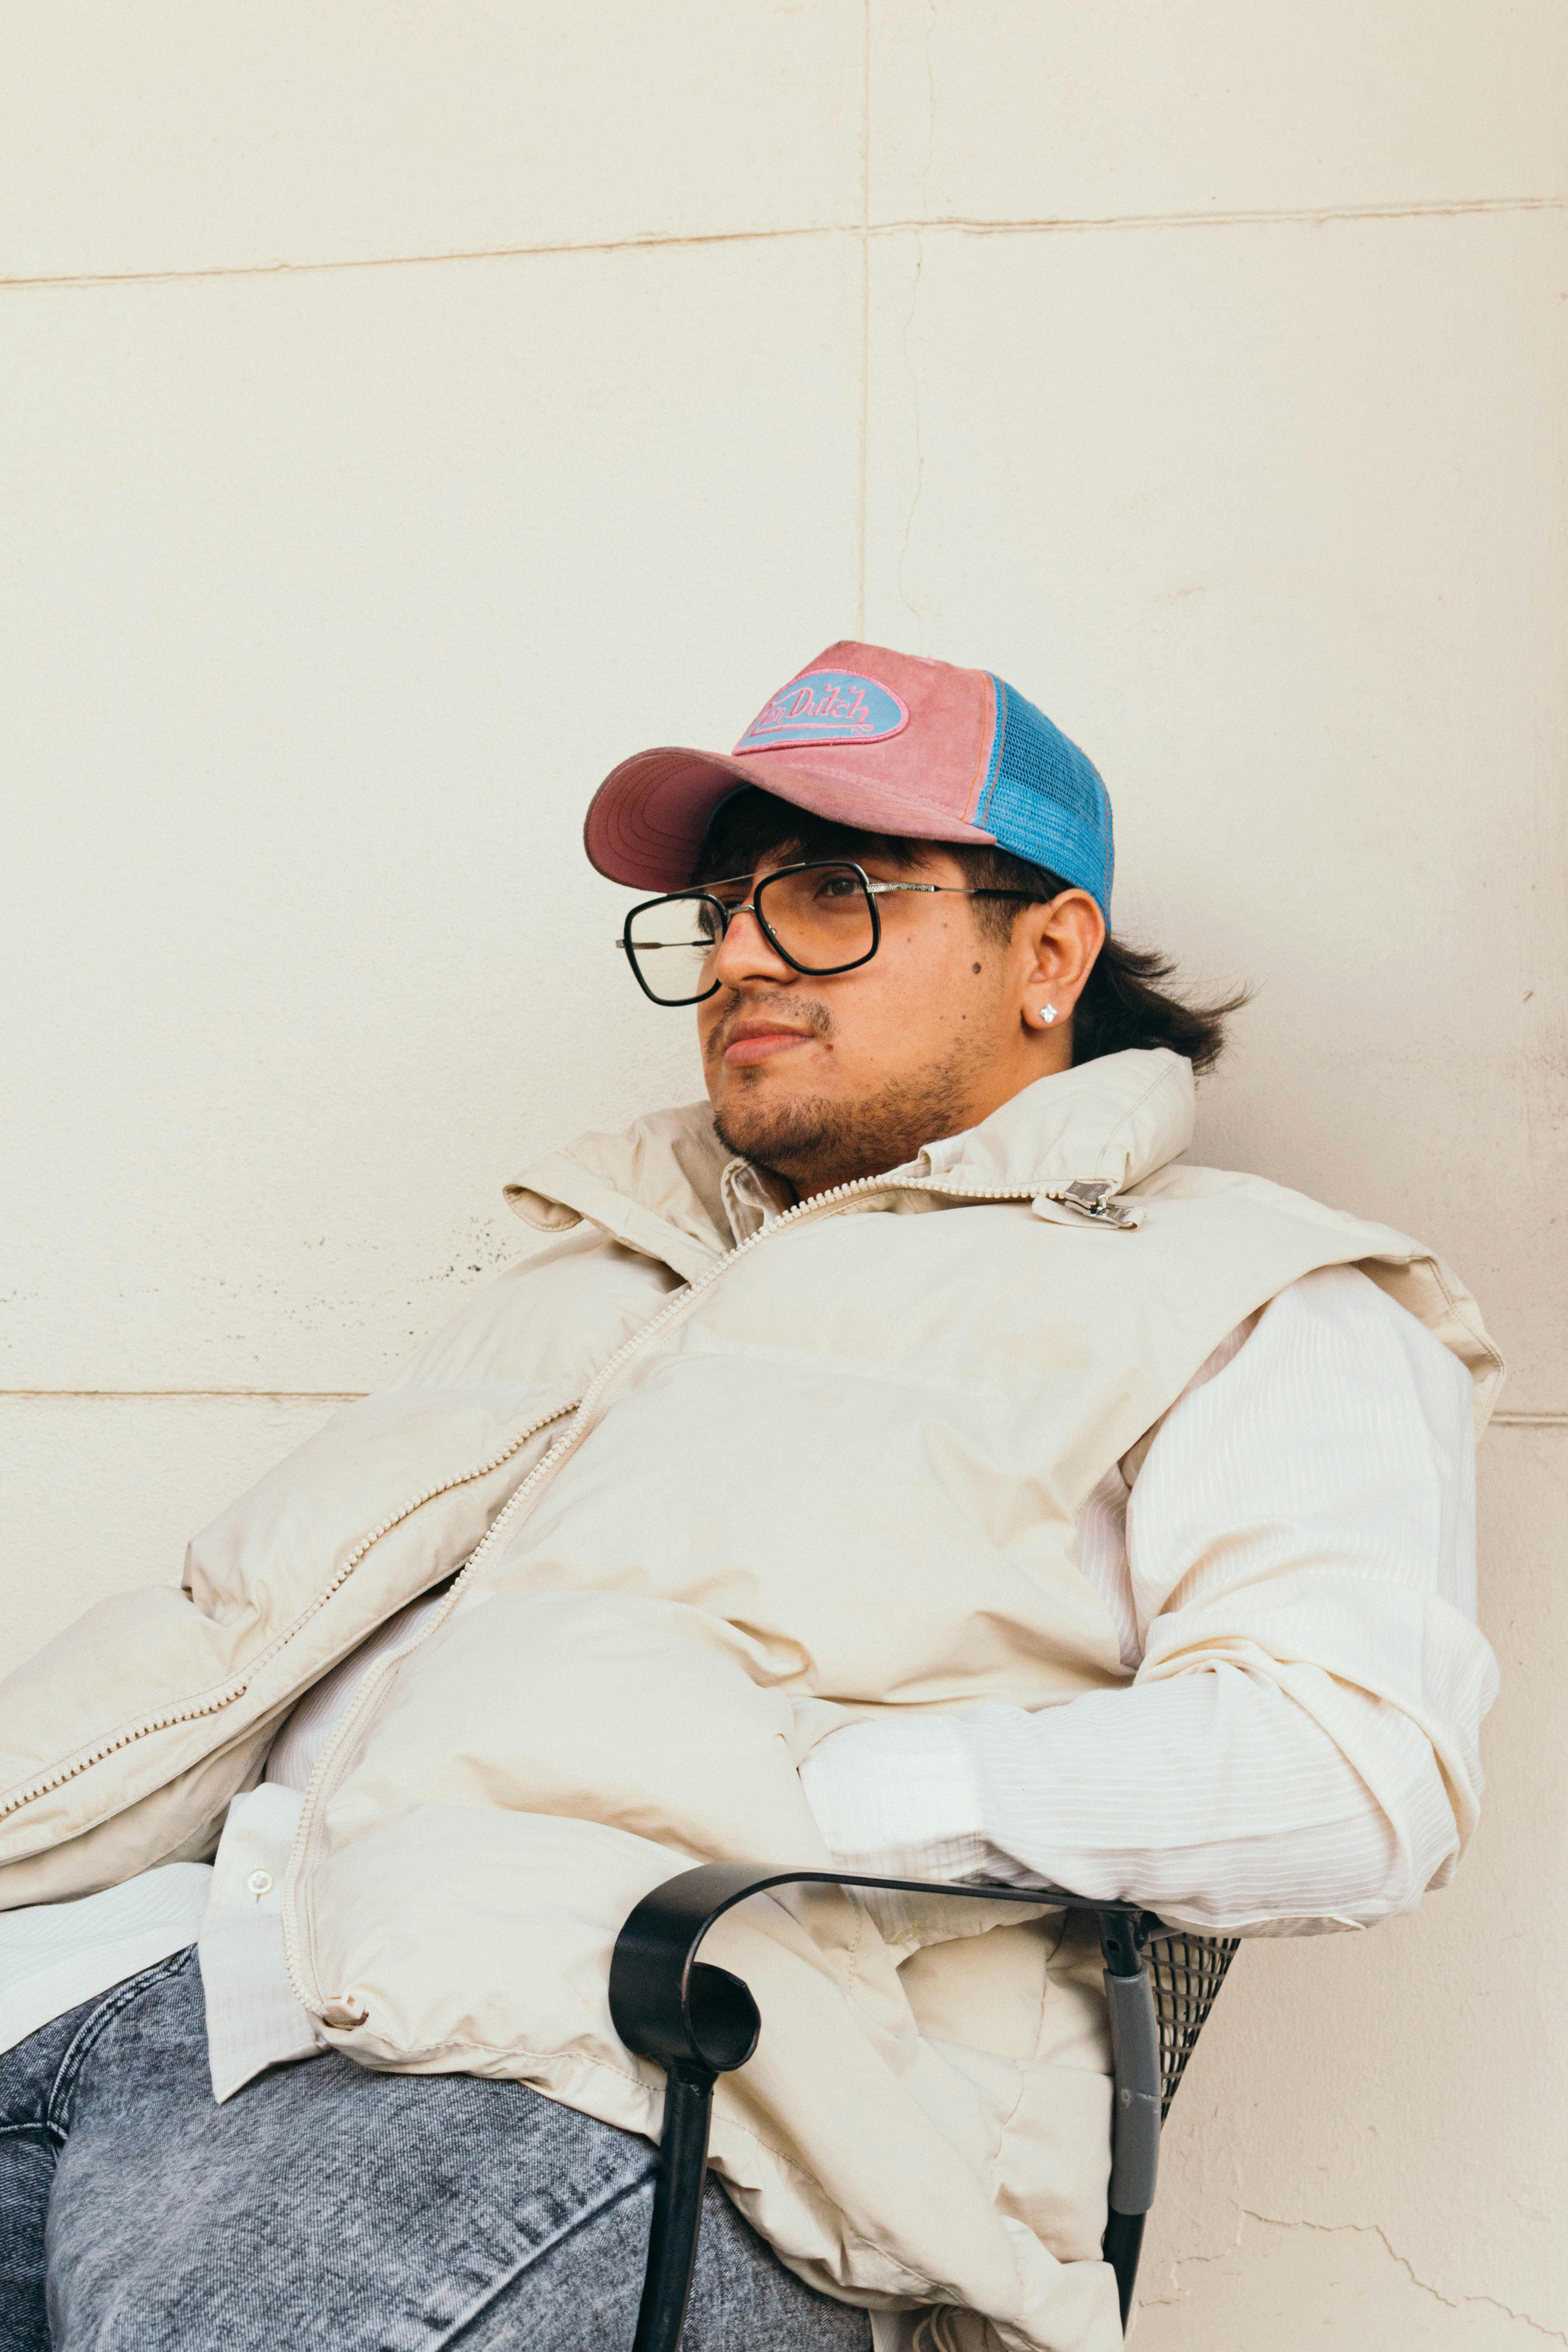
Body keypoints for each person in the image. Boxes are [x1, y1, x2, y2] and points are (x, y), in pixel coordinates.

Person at [0, 642, 1501, 2352]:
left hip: (587, 2066)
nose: (743, 952)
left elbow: (1350, 1771)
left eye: (832, 891)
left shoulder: (1249, 1296)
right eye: (720, 907)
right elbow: (227, 1649)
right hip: (131, 1975)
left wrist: (797, 1798)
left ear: (1050, 953)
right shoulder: (592, 1272)